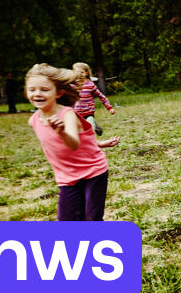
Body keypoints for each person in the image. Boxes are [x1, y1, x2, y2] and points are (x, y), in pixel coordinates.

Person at [24, 63, 120, 221]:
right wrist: (100, 144)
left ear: (58, 92)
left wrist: (61, 131)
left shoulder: (67, 114)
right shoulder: (33, 120)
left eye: (45, 89)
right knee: (67, 223)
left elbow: (74, 144)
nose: (37, 94)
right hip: (67, 178)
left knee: (91, 219)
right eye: (32, 89)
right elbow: (73, 142)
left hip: (93, 172)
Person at [72, 62, 116, 136]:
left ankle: (91, 138)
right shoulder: (72, 85)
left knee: (89, 130)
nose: (79, 75)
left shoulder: (90, 85)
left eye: (81, 72)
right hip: (76, 113)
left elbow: (101, 96)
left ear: (86, 73)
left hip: (88, 112)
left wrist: (109, 107)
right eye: (76, 73)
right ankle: (97, 127)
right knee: (77, 130)